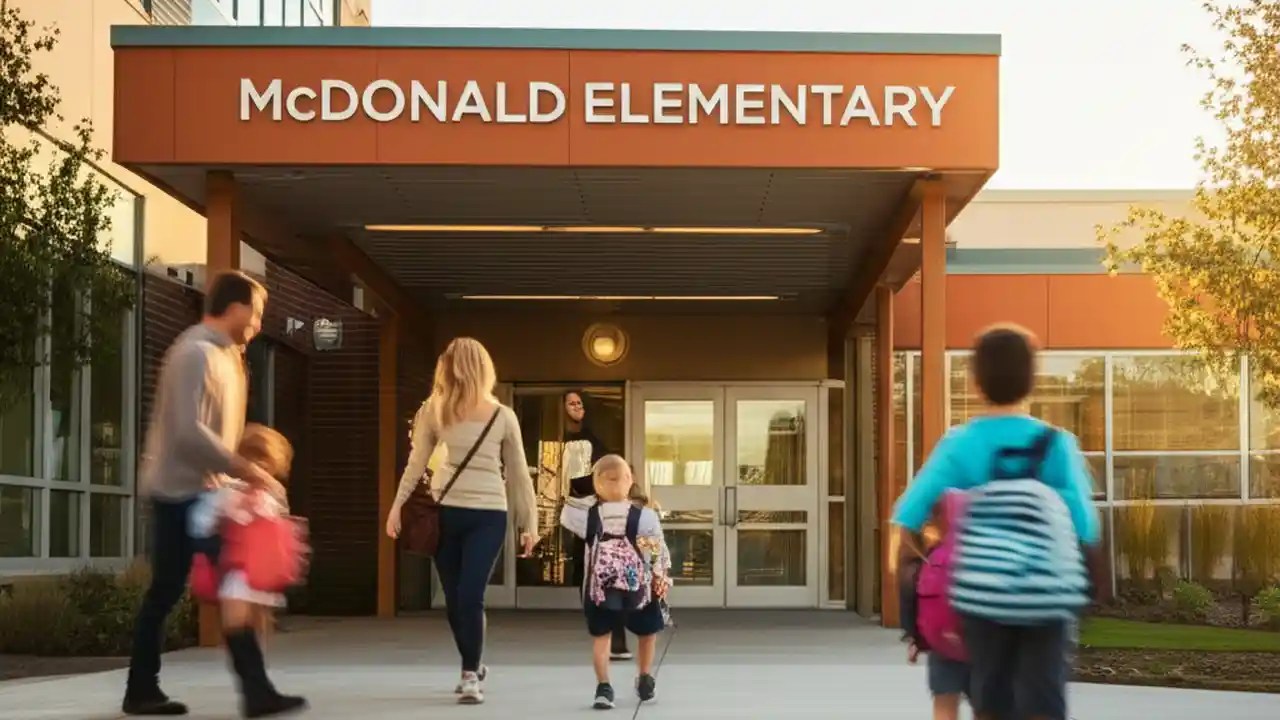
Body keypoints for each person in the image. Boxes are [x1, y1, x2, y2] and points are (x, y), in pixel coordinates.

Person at [891, 324, 1103, 720]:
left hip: (983, 594)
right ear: (1032, 380)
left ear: (975, 382)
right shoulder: (1058, 444)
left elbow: (909, 514)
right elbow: (1086, 526)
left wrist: (923, 569)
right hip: (1048, 595)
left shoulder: (960, 443)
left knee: (991, 700)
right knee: (1044, 700)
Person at [123, 270, 276, 717]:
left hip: (204, 491)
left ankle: (143, 689)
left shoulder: (225, 356)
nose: (259, 324)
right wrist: (245, 469)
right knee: (218, 583)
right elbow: (189, 433)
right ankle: (253, 691)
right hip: (180, 492)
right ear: (236, 307)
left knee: (184, 588)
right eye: (258, 312)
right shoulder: (194, 353)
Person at [385, 337, 539, 705]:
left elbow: (519, 474)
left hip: (488, 514)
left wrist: (529, 523)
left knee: (470, 594)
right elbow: (416, 463)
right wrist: (396, 506)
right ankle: (474, 658)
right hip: (446, 512)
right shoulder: (433, 410)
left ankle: (470, 673)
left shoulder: (503, 416)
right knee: (454, 600)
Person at [189, 424, 306, 717]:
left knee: (243, 629)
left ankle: (258, 690)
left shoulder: (233, 492)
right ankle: (257, 692)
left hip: (246, 574)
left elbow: (200, 523)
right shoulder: (238, 491)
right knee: (241, 628)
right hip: (245, 574)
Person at [560, 455, 670, 710]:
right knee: (647, 633)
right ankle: (644, 677)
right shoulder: (645, 516)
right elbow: (655, 552)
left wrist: (592, 492)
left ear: (596, 483)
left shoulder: (588, 516)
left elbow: (566, 513)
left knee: (602, 637)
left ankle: (604, 687)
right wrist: (660, 578)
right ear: (630, 480)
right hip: (638, 587)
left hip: (600, 587)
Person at [559, 390, 630, 661]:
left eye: (580, 403)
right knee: (588, 567)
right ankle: (607, 631)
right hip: (579, 512)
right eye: (571, 404)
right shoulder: (564, 438)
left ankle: (613, 635)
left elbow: (584, 479)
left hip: (593, 511)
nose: (576, 408)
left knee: (602, 568)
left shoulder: (589, 439)